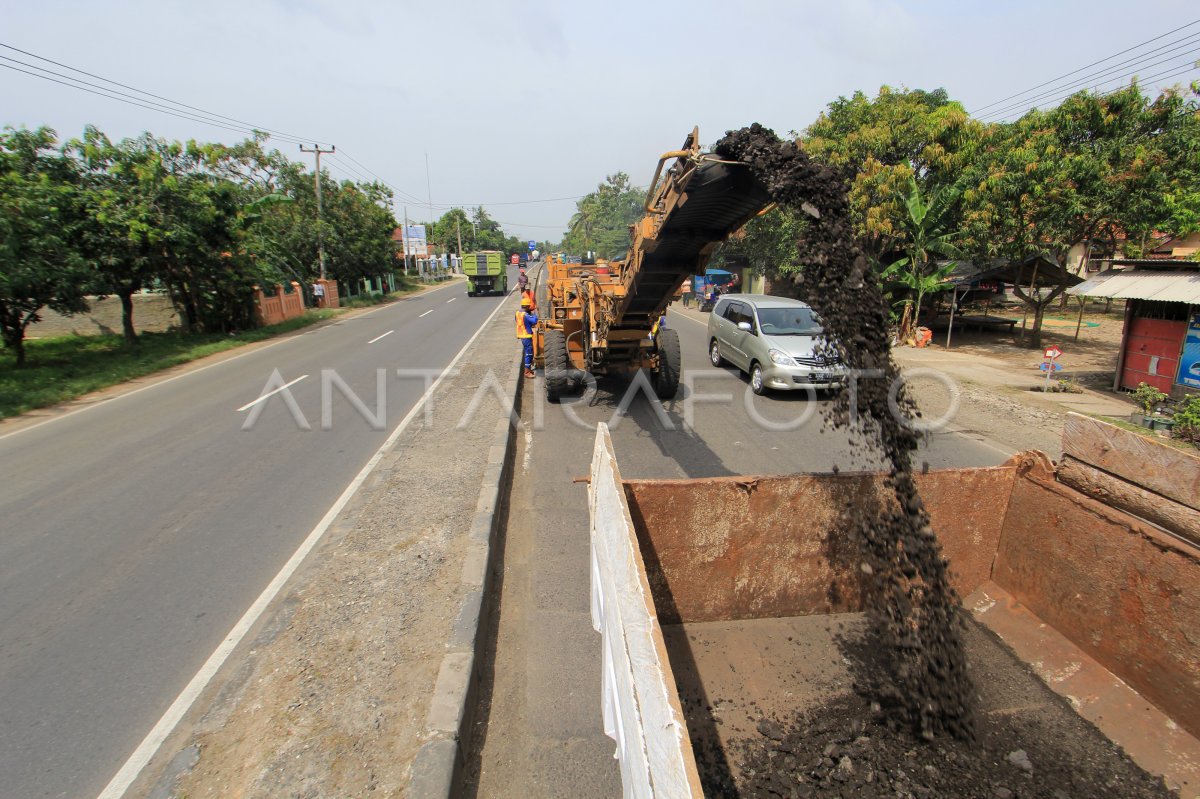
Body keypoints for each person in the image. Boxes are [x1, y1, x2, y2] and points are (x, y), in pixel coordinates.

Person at [516, 296, 538, 378]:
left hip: (521, 335)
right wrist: (534, 314)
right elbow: (534, 321)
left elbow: (520, 322)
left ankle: (528, 369)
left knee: (528, 353)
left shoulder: (517, 313)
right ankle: (527, 372)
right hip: (526, 336)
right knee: (529, 354)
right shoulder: (526, 315)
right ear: (528, 306)